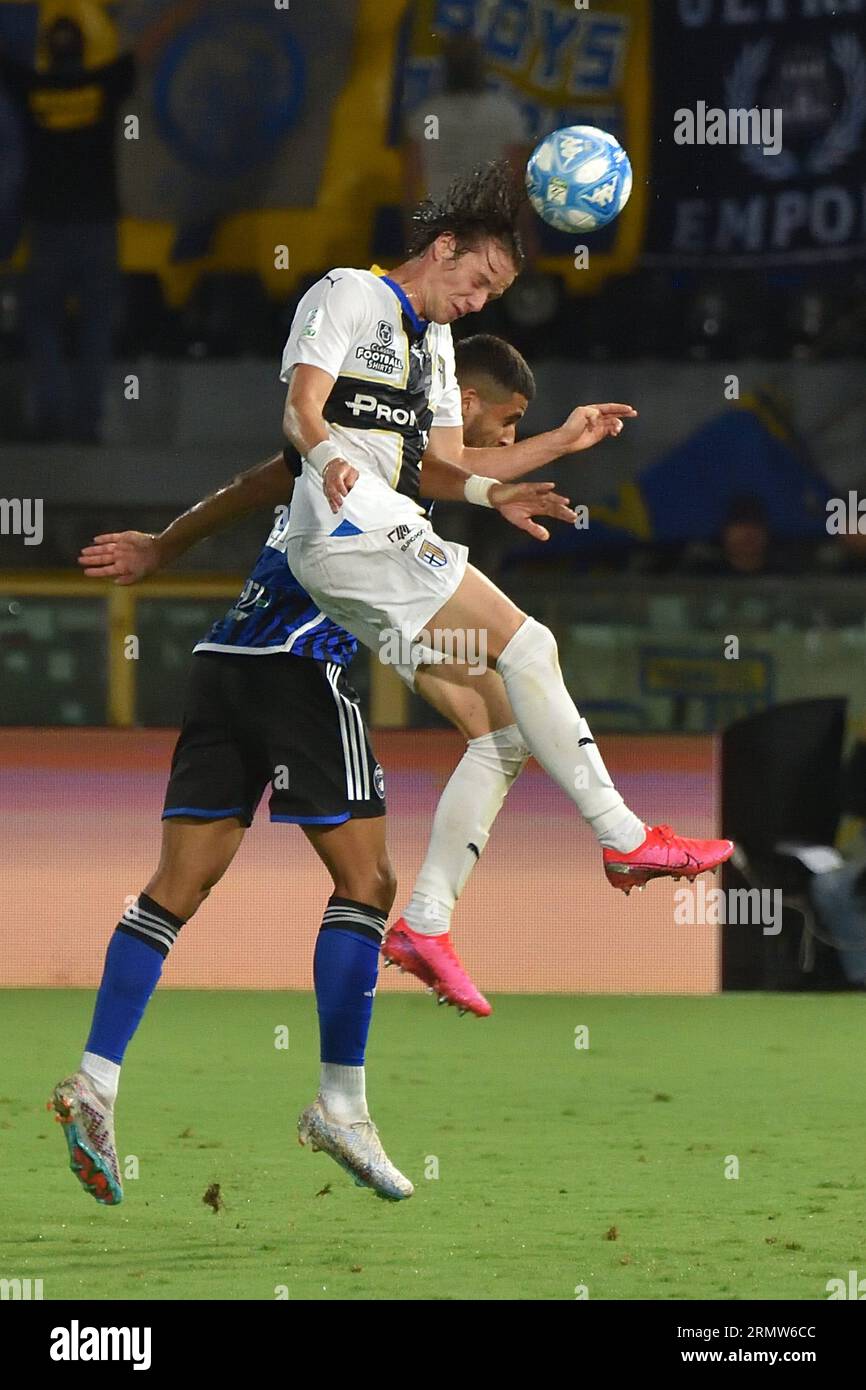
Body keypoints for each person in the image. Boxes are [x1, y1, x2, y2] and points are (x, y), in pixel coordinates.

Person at [51, 336, 580, 1205]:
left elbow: (261, 480)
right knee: (368, 885)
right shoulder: (408, 457)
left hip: (224, 661)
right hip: (299, 669)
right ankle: (341, 1107)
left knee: (174, 890)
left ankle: (96, 1083)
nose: (503, 440)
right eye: (508, 421)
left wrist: (164, 547)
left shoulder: (344, 450)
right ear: (469, 402)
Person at [0, 16, 134, 442]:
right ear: (83, 49)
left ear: (47, 51)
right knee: (96, 327)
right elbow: (145, 49)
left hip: (48, 230)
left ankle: (51, 415)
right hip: (97, 228)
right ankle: (87, 424)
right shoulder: (103, 84)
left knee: (40, 321)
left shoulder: (31, 88)